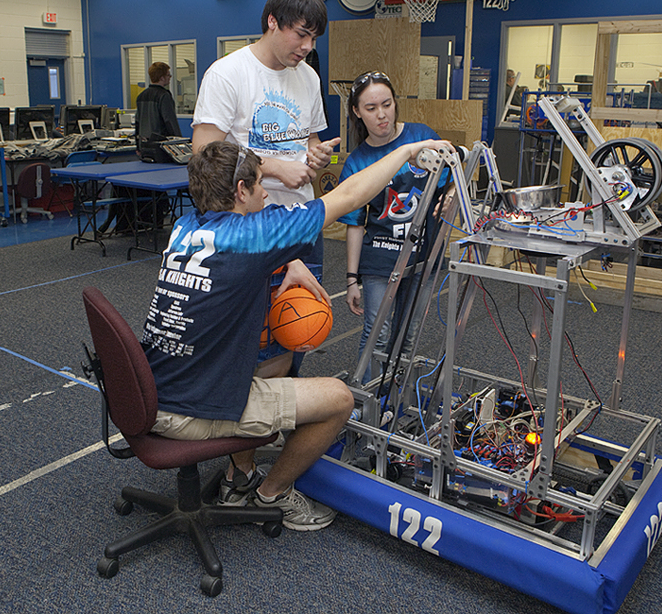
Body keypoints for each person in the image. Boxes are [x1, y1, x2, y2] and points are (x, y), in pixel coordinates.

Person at [141, 137, 454, 531]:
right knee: (339, 399)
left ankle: (239, 478)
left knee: (271, 367)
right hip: (190, 409)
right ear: (241, 191)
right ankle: (272, 493)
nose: (265, 193)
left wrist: (287, 258)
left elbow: (232, 259)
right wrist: (407, 152)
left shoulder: (184, 227)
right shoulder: (253, 234)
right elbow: (349, 195)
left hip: (152, 390)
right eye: (259, 184)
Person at [191, 0, 341, 375]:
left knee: (299, 331)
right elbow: (204, 153)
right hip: (251, 227)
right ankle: (243, 412)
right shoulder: (228, 74)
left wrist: (316, 156)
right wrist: (274, 167)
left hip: (301, 224)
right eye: (301, 34)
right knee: (253, 341)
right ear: (273, 21)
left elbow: (309, 143)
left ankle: (282, 408)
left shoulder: (308, 77)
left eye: (314, 38)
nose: (307, 46)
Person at [338, 71, 451, 385]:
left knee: (408, 333)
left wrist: (452, 194)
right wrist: (351, 279)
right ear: (357, 112)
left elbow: (452, 177)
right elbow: (355, 224)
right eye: (371, 108)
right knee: (378, 331)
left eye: (386, 104)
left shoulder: (421, 136)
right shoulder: (358, 162)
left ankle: (394, 396)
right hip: (380, 258)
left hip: (423, 255)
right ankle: (365, 396)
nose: (381, 114)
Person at [136, 61, 182, 164]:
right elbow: (170, 121)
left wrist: (138, 146)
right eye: (168, 75)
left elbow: (137, 123)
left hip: (145, 147)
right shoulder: (164, 96)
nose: (170, 77)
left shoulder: (141, 96)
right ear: (162, 78)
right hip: (161, 147)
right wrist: (179, 142)